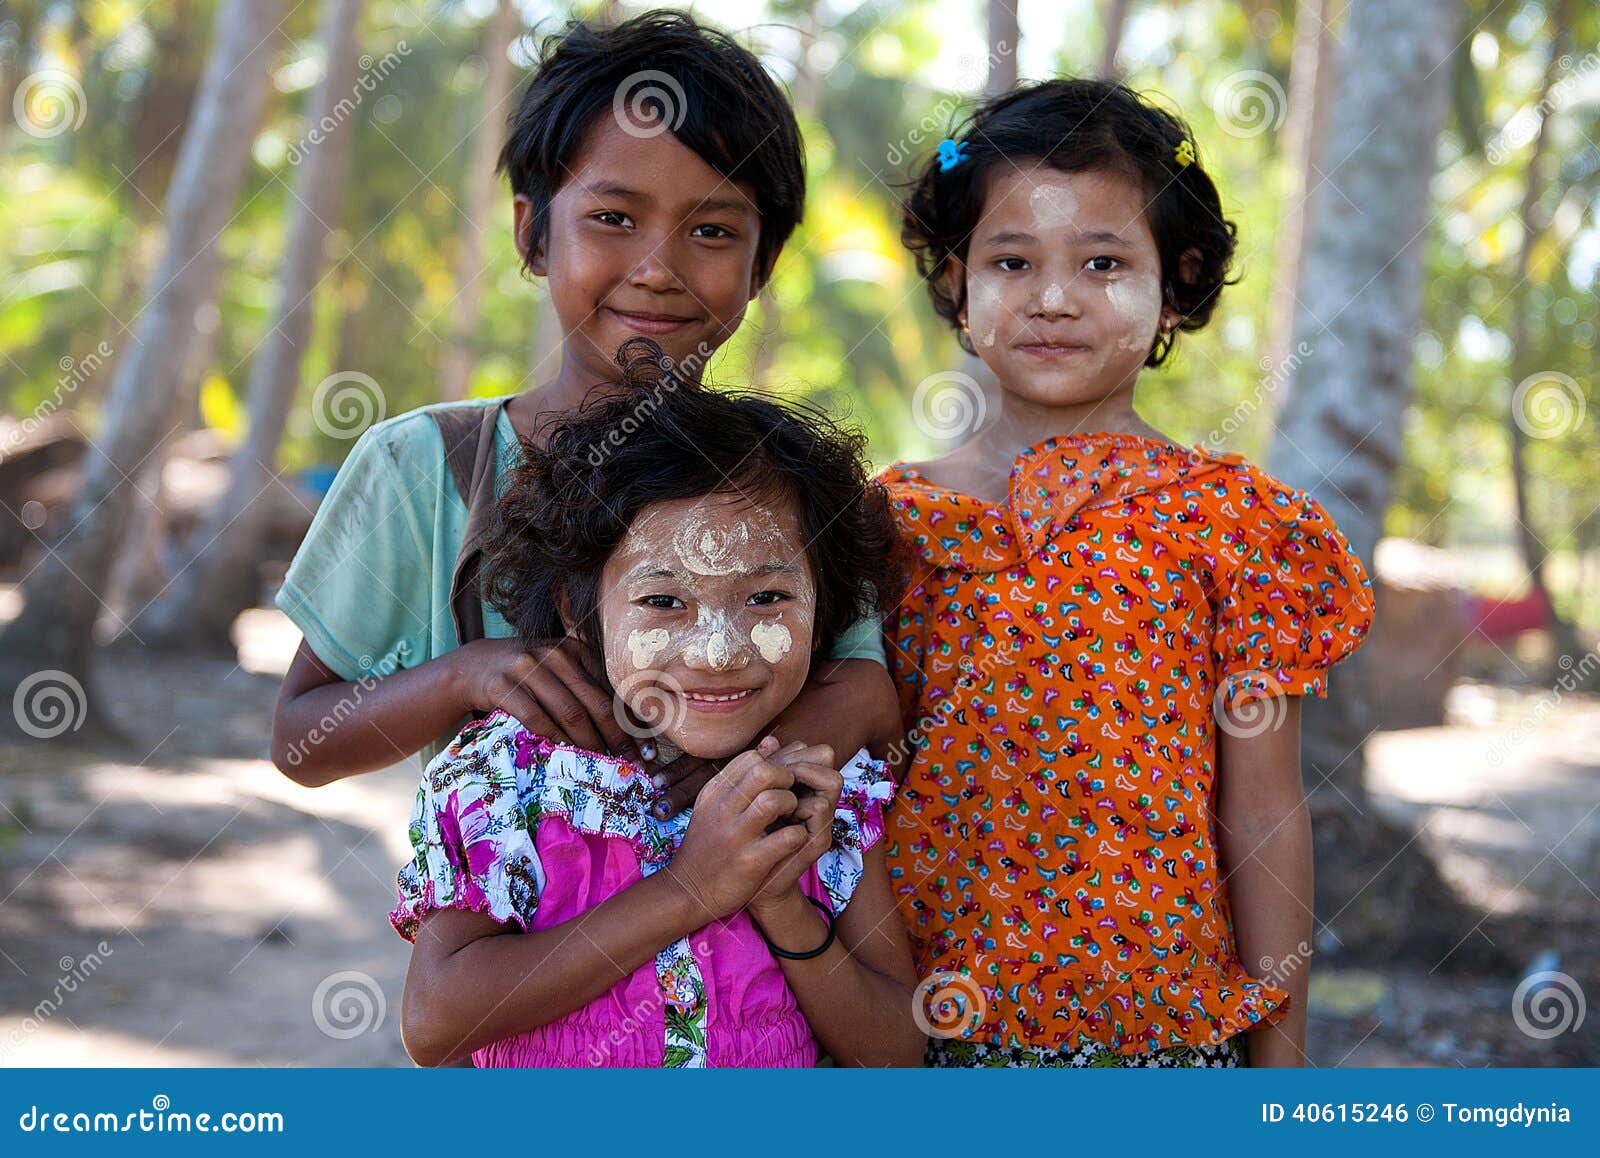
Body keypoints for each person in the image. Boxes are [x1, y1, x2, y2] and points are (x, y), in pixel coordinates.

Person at [270, 12, 900, 822]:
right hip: (521, 945)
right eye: (613, 218)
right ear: (534, 236)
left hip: (756, 940)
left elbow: (866, 686)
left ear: (762, 266)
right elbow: (300, 741)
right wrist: (466, 675)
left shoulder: (782, 479)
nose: (657, 270)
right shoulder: (424, 467)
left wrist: (736, 776)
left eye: (712, 231)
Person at [879, 78, 1376, 1067]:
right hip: (913, 1037)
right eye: (1010, 261)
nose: (1054, 297)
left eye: (1103, 262)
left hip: (1157, 1044)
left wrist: (1279, 1059)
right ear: (955, 283)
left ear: (1174, 287)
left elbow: (1264, 809)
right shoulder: (883, 523)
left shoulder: (1235, 523)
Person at [390, 339, 924, 1068]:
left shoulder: (825, 790)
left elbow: (897, 1050)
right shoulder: (504, 782)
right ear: (581, 616)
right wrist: (691, 888)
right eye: (664, 601)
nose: (716, 650)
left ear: (823, 610)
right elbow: (433, 1022)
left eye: (765, 597)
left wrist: (780, 905)